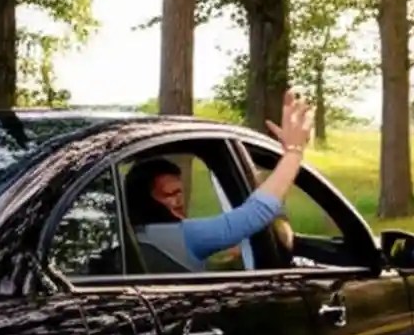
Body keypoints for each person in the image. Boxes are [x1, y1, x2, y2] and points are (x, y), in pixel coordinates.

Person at [124, 90, 314, 272]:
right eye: (169, 195)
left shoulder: (132, 236)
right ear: (144, 201)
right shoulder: (183, 235)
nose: (179, 200)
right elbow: (256, 212)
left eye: (180, 192)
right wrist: (294, 151)